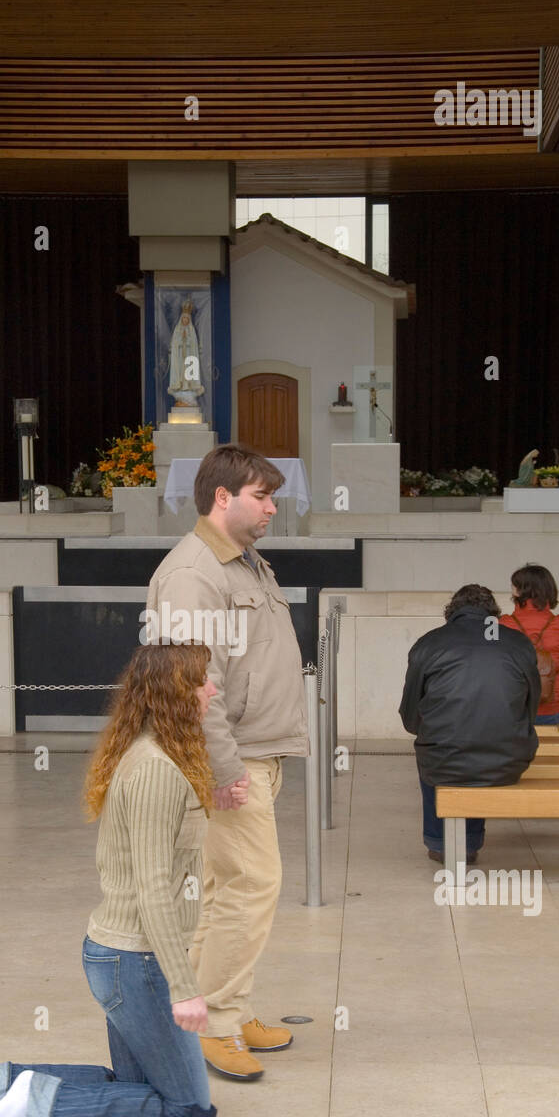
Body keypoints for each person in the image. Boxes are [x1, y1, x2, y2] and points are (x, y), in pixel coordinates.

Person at [0, 643, 220, 1117]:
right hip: (136, 962)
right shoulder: (154, 770)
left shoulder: (157, 754)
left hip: (125, 960)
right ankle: (38, 1095)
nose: (212, 690)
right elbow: (152, 889)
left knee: (135, 1088)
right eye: (201, 681)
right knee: (190, 1111)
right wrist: (185, 986)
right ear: (175, 694)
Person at [146, 445, 308, 1081]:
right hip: (229, 762)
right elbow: (189, 686)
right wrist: (221, 770)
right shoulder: (193, 574)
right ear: (222, 497)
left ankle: (224, 1010)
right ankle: (211, 1022)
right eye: (261, 496)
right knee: (253, 885)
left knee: (223, 892)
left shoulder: (247, 563)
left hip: (257, 752)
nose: (273, 507)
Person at [399, 584, 540, 864]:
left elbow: (411, 713)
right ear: (493, 613)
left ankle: (439, 842)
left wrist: (425, 731)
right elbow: (531, 705)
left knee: (435, 753)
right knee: (480, 749)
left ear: (451, 612)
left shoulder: (429, 643)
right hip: (509, 758)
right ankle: (471, 842)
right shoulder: (519, 642)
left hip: (443, 758)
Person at [499, 564, 559, 725]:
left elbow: (493, 667)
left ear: (517, 591)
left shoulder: (501, 624)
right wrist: (557, 688)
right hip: (554, 709)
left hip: (513, 709)